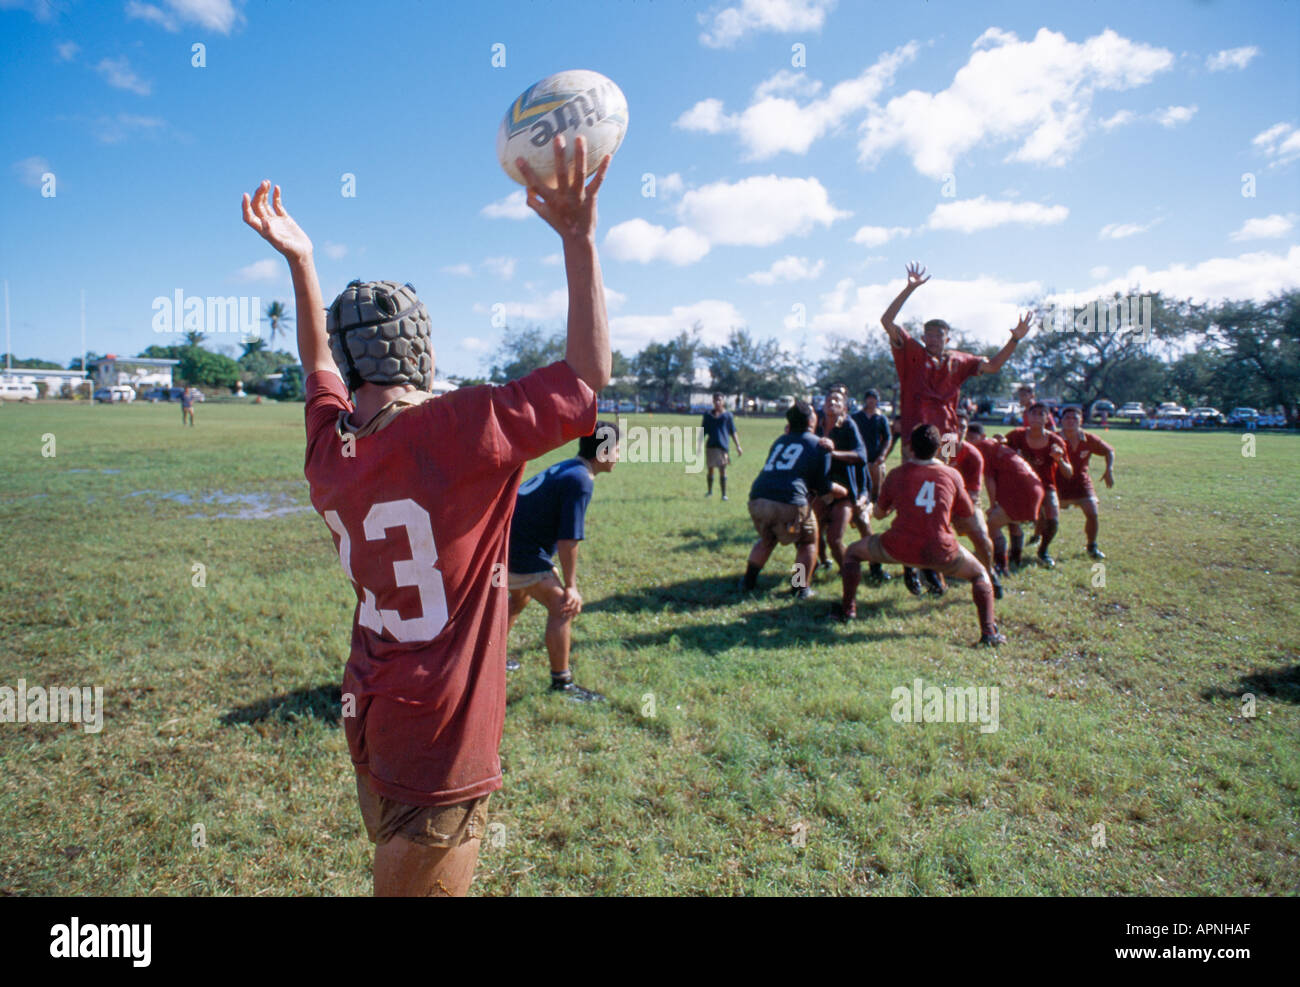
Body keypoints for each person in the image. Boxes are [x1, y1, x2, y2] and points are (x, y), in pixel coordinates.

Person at [240, 134, 611, 897]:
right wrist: (579, 237)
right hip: (440, 734)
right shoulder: (461, 429)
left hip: (372, 706)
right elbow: (587, 378)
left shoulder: (328, 449)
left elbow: (317, 370)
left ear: (353, 364)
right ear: (419, 347)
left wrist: (301, 264)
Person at [878, 262, 1030, 595]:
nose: (932, 339)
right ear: (922, 337)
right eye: (928, 334)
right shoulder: (911, 352)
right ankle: (912, 566)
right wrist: (910, 288)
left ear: (948, 337)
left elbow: (991, 366)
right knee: (912, 496)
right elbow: (887, 321)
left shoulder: (959, 360)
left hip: (946, 437)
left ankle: (934, 564)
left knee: (939, 498)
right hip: (917, 435)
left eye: (938, 335)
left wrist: (1014, 341)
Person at [840, 425, 1004, 646]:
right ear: (938, 449)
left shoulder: (897, 474)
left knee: (852, 553)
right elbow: (966, 512)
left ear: (909, 447)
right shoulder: (952, 474)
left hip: (897, 546)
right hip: (939, 549)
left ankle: (847, 609)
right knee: (980, 575)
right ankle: (989, 633)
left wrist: (884, 507)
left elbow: (878, 515)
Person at [506, 422, 619, 703]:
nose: (620, 455)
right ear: (603, 451)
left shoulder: (571, 467)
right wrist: (571, 586)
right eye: (617, 448)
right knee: (563, 608)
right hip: (518, 550)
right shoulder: (581, 481)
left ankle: (491, 655)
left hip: (507, 542)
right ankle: (563, 684)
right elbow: (569, 540)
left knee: (519, 598)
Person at [742, 400, 833, 600]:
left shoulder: (780, 440)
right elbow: (823, 487)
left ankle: (748, 581)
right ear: (811, 419)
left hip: (757, 498)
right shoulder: (819, 444)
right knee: (807, 542)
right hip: (788, 502)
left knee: (767, 538)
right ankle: (799, 587)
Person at [965, 423, 1045, 577]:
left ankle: (1002, 566)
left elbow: (989, 479)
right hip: (1033, 486)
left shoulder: (983, 448)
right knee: (1012, 522)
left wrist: (993, 504)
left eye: (972, 437)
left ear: (982, 437)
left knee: (991, 525)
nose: (969, 441)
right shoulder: (992, 444)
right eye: (967, 437)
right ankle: (1015, 559)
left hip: (1022, 489)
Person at [1003, 403, 1072, 568]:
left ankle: (1043, 551)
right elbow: (1000, 454)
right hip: (1021, 485)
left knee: (1053, 520)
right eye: (1033, 414)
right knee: (1013, 518)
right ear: (1027, 416)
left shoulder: (1055, 440)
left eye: (1041, 414)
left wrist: (1059, 459)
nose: (1036, 417)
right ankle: (1014, 553)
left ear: (1048, 418)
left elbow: (1069, 472)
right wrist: (1001, 444)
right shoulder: (1016, 435)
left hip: (1046, 485)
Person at [813, 388, 867, 575]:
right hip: (816, 491)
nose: (832, 402)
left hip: (843, 492)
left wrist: (832, 452)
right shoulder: (814, 426)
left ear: (844, 407)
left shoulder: (848, 425)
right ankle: (802, 580)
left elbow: (861, 455)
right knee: (809, 538)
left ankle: (849, 573)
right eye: (829, 399)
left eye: (837, 400)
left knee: (834, 539)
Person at [1057, 404, 1116, 559]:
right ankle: (1039, 539)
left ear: (1081, 421)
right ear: (1061, 421)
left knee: (1092, 512)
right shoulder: (1054, 438)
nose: (1070, 421)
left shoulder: (1088, 439)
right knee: (1047, 517)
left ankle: (1092, 546)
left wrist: (1109, 469)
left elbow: (1109, 450)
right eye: (1067, 418)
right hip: (1058, 483)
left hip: (1081, 483)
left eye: (1074, 418)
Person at [952, 410, 1000, 597]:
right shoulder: (946, 448)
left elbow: (973, 493)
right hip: (943, 501)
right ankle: (929, 574)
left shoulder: (973, 455)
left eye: (962, 427)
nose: (958, 431)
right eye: (954, 427)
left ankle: (990, 572)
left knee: (980, 535)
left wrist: (958, 512)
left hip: (966, 501)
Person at [850, 388, 893, 582]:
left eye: (874, 399)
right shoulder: (855, 418)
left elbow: (888, 438)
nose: (871, 402)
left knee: (865, 522)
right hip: (857, 461)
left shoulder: (880, 418)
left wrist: (882, 455)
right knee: (817, 538)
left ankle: (874, 568)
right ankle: (802, 579)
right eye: (868, 399)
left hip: (874, 460)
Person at [700, 392, 743, 500]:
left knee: (722, 469)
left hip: (723, 447)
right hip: (711, 446)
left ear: (723, 401)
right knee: (710, 469)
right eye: (715, 400)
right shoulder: (708, 415)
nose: (717, 402)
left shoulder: (728, 415)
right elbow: (702, 431)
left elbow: (733, 431)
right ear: (713, 402)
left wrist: (738, 446)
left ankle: (724, 494)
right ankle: (709, 491)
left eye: (719, 400)